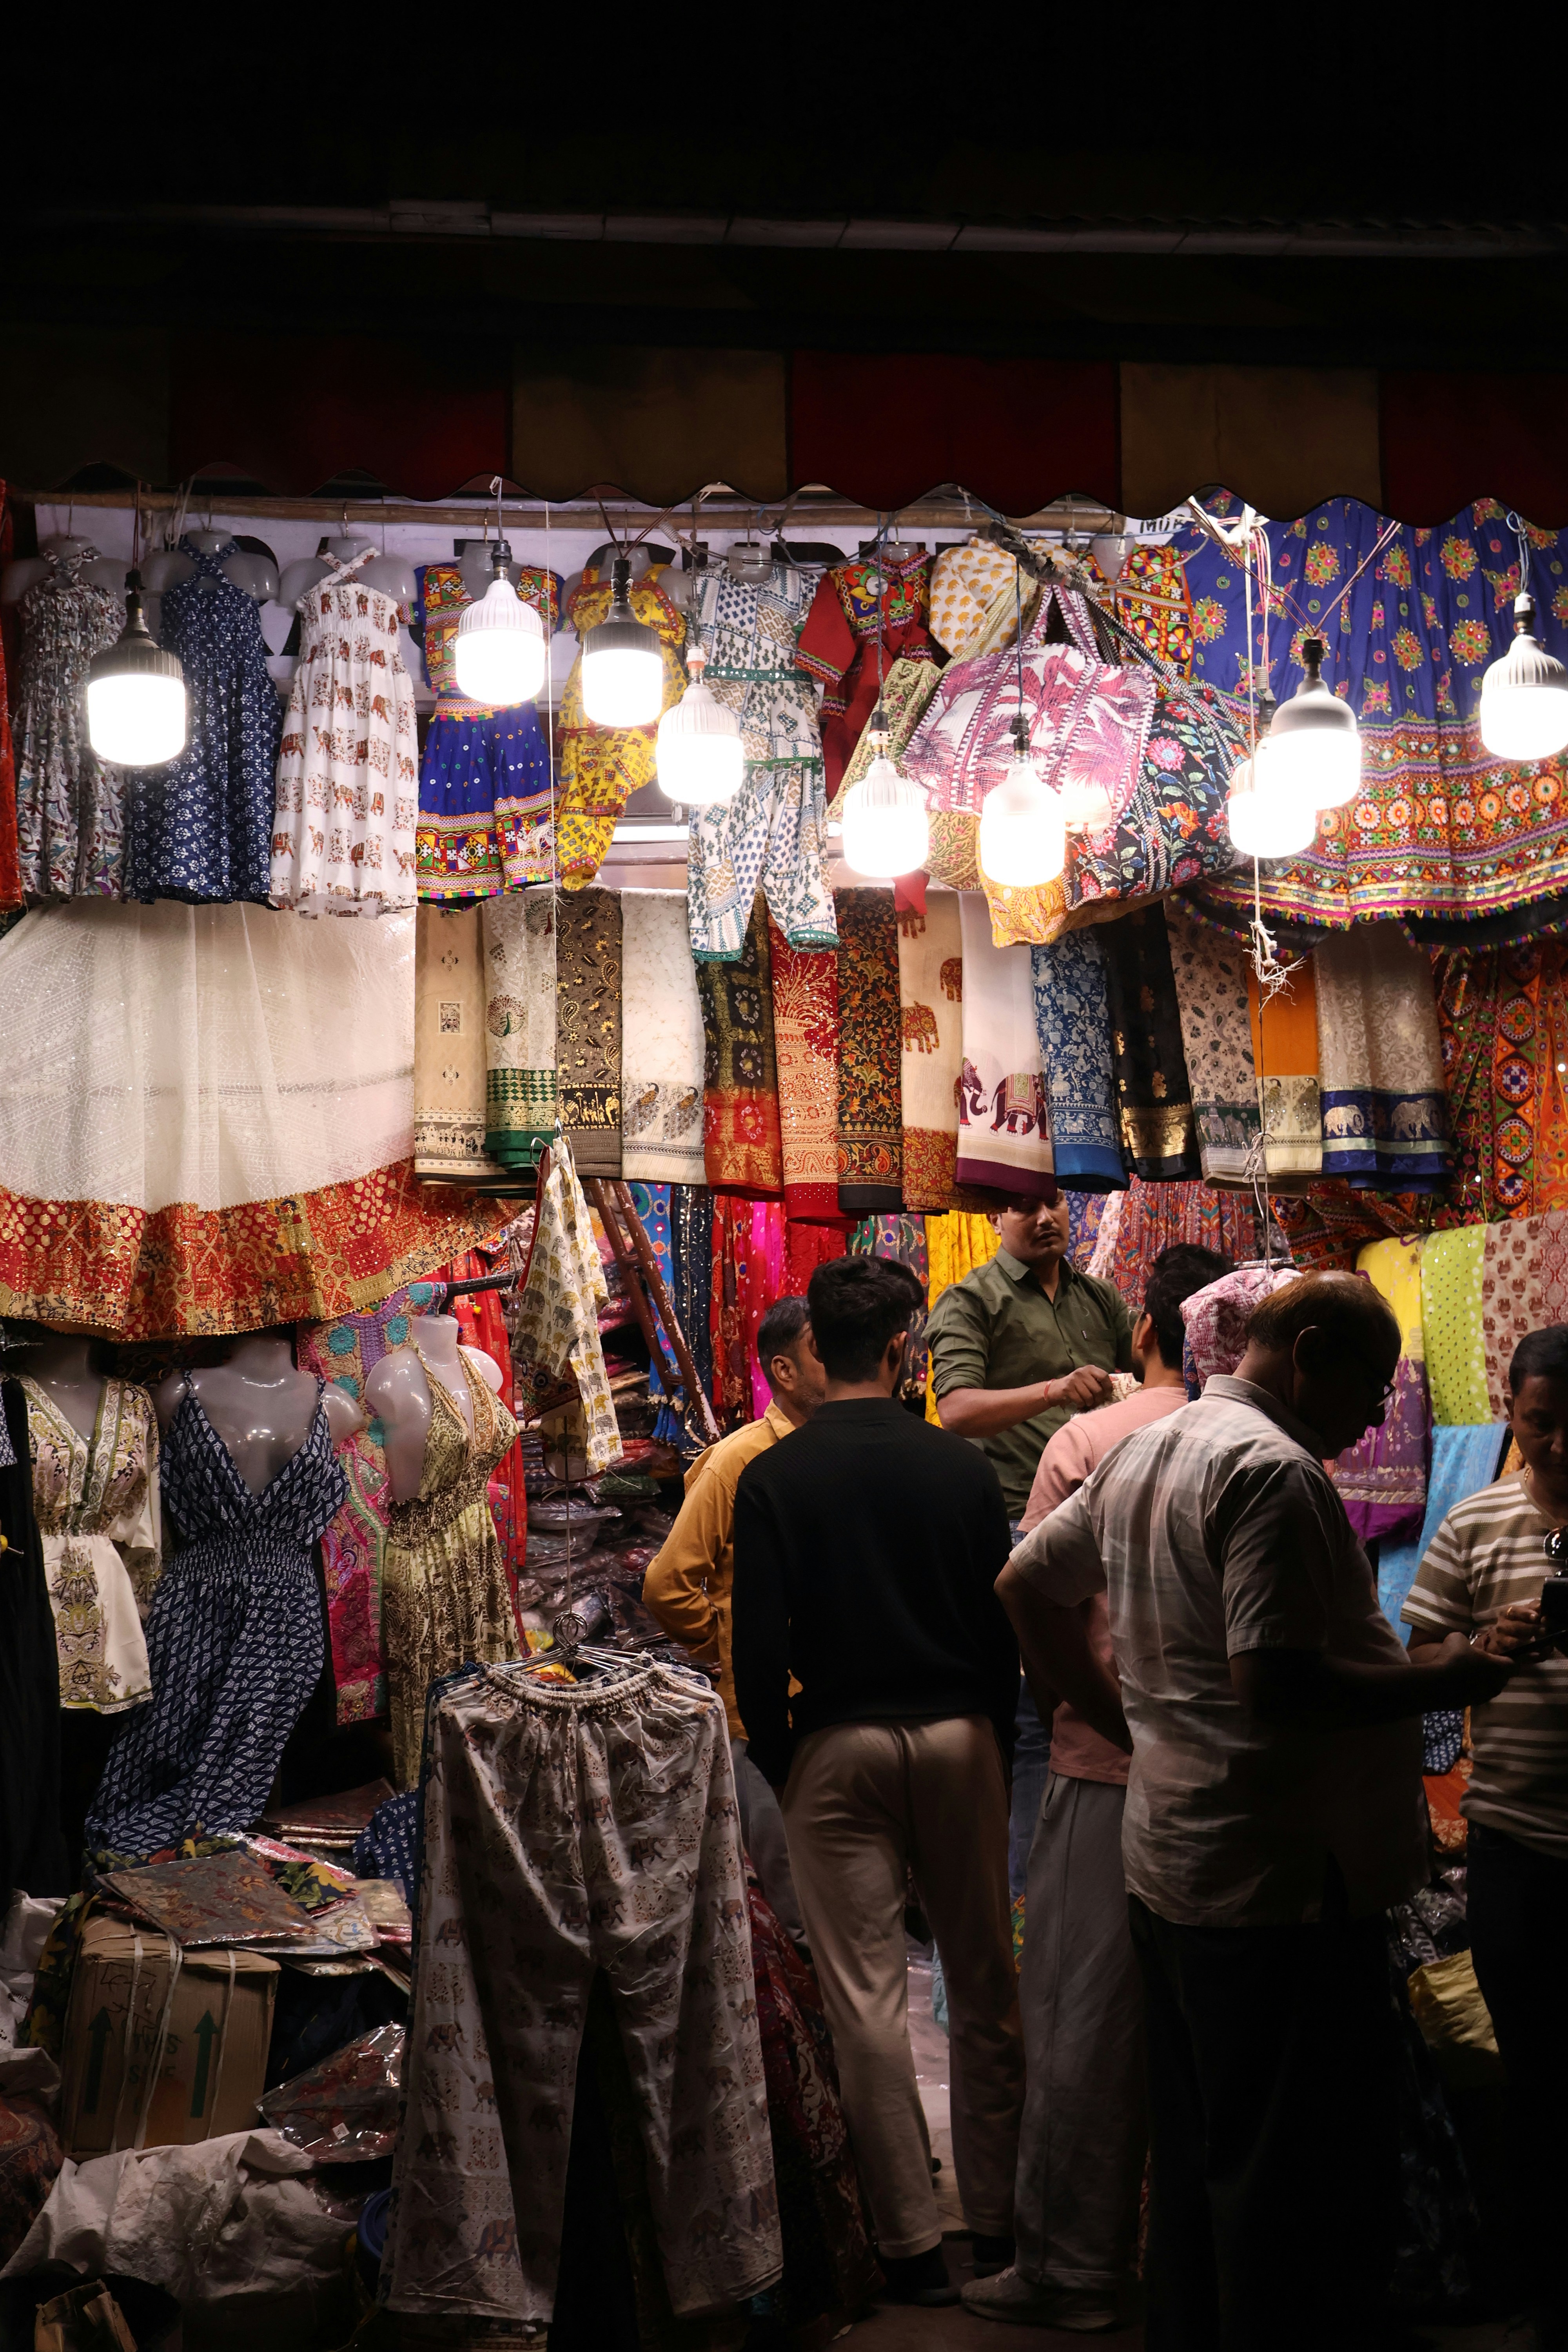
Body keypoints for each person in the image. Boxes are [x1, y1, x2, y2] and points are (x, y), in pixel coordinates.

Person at [1000, 1271, 1512, 2352]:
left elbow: (1026, 1586)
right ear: (1309, 1349)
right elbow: (1273, 1685)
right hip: (1271, 1884)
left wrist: (1119, 1716)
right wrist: (1447, 1678)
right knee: (1283, 2179)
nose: (1378, 1417)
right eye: (1371, 1389)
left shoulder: (1154, 1446)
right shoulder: (1271, 1472)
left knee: (1197, 2154)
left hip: (1174, 1864)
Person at [731, 1254, 1023, 2311]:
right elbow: (1000, 1629)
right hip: (956, 1736)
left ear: (818, 1347)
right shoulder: (959, 1472)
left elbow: (755, 1653)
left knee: (865, 2000)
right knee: (986, 1987)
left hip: (837, 1747)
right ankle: (996, 2233)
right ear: (903, 1347)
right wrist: (986, 1735)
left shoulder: (773, 1479)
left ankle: (906, 2247)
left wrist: (784, 1755)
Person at [964, 1242, 1232, 2333]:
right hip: (1223, 1780)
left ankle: (1074, 2267)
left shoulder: (1090, 1440)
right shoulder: (1256, 1447)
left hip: (1102, 1765)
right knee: (1203, 2035)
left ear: (1141, 1334)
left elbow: (1032, 1603)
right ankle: (1191, 2271)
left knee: (1081, 2019)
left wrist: (1097, 1713)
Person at [1403, 1325, 1568, 2352]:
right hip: (1517, 1843)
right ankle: (1545, 2280)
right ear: (1512, 1411)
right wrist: (1479, 1648)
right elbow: (1423, 1654)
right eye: (1539, 1422)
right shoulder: (1475, 1524)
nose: (1554, 1446)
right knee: (1537, 2073)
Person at [925, 1190, 1135, 1894]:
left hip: (1105, 1518)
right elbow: (955, 1410)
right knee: (1033, 1719)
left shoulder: (1101, 1298)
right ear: (993, 1217)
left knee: (1093, 1699)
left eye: (1051, 1202)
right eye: (1021, 1206)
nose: (1044, 1217)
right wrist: (1053, 1391)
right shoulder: (970, 1300)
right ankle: (1027, 1903)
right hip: (1023, 1522)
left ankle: (1088, 1886)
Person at [641, 1294, 824, 1950]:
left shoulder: (838, 1452)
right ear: (785, 1370)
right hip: (765, 1712)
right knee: (796, 1900)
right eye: (820, 1350)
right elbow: (667, 1583)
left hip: (835, 1706)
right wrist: (725, 1640)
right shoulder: (735, 1462)